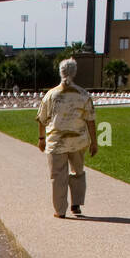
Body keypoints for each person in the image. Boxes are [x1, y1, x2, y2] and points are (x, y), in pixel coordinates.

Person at [36, 58, 98, 219]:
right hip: (78, 141)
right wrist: (94, 142)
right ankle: (76, 204)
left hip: (56, 142)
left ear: (60, 72)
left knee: (57, 176)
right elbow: (91, 120)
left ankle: (60, 210)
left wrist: (41, 138)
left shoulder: (51, 95)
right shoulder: (83, 95)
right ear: (74, 72)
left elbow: (42, 119)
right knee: (77, 171)